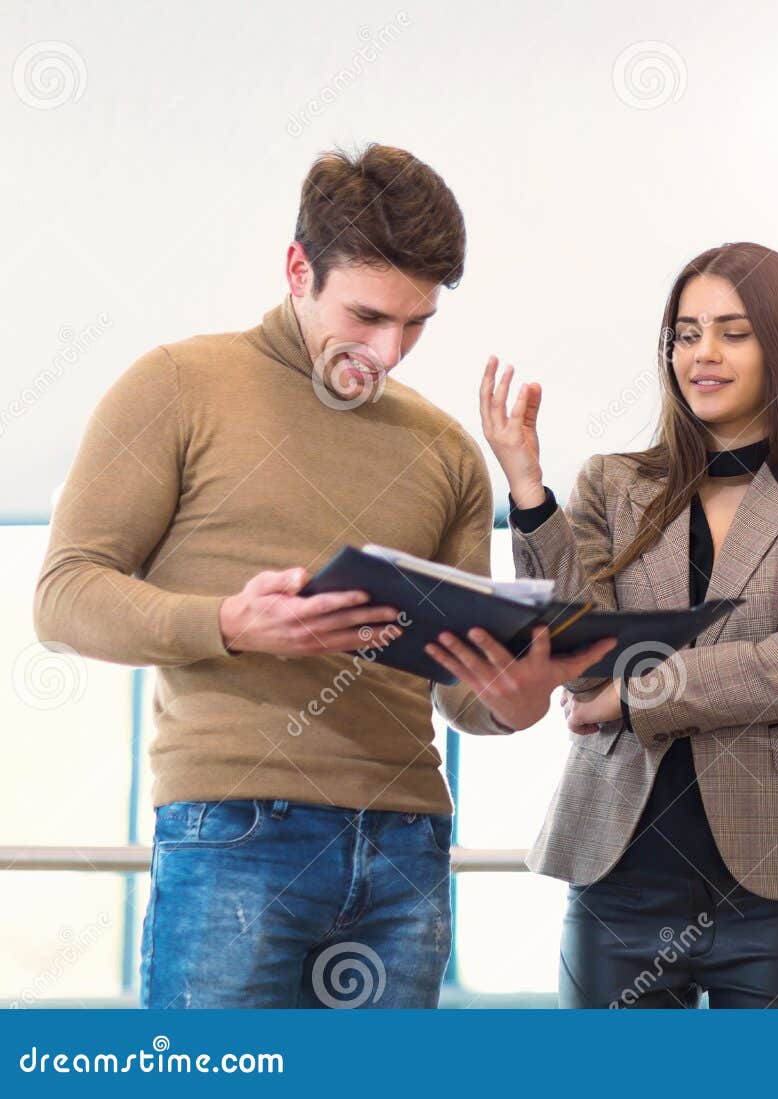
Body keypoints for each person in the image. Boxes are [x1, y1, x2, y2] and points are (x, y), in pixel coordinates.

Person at [33, 143, 611, 1010]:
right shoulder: (176, 387)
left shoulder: (448, 450)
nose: (388, 350)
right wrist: (229, 622)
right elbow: (64, 594)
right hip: (234, 830)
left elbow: (454, 687)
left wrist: (510, 703)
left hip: (408, 845)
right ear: (298, 268)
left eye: (416, 324)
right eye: (368, 315)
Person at [480, 241, 778, 1008]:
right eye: (686, 332)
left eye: (734, 332)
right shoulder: (614, 481)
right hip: (621, 873)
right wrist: (531, 493)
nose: (704, 353)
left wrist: (638, 701)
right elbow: (583, 657)